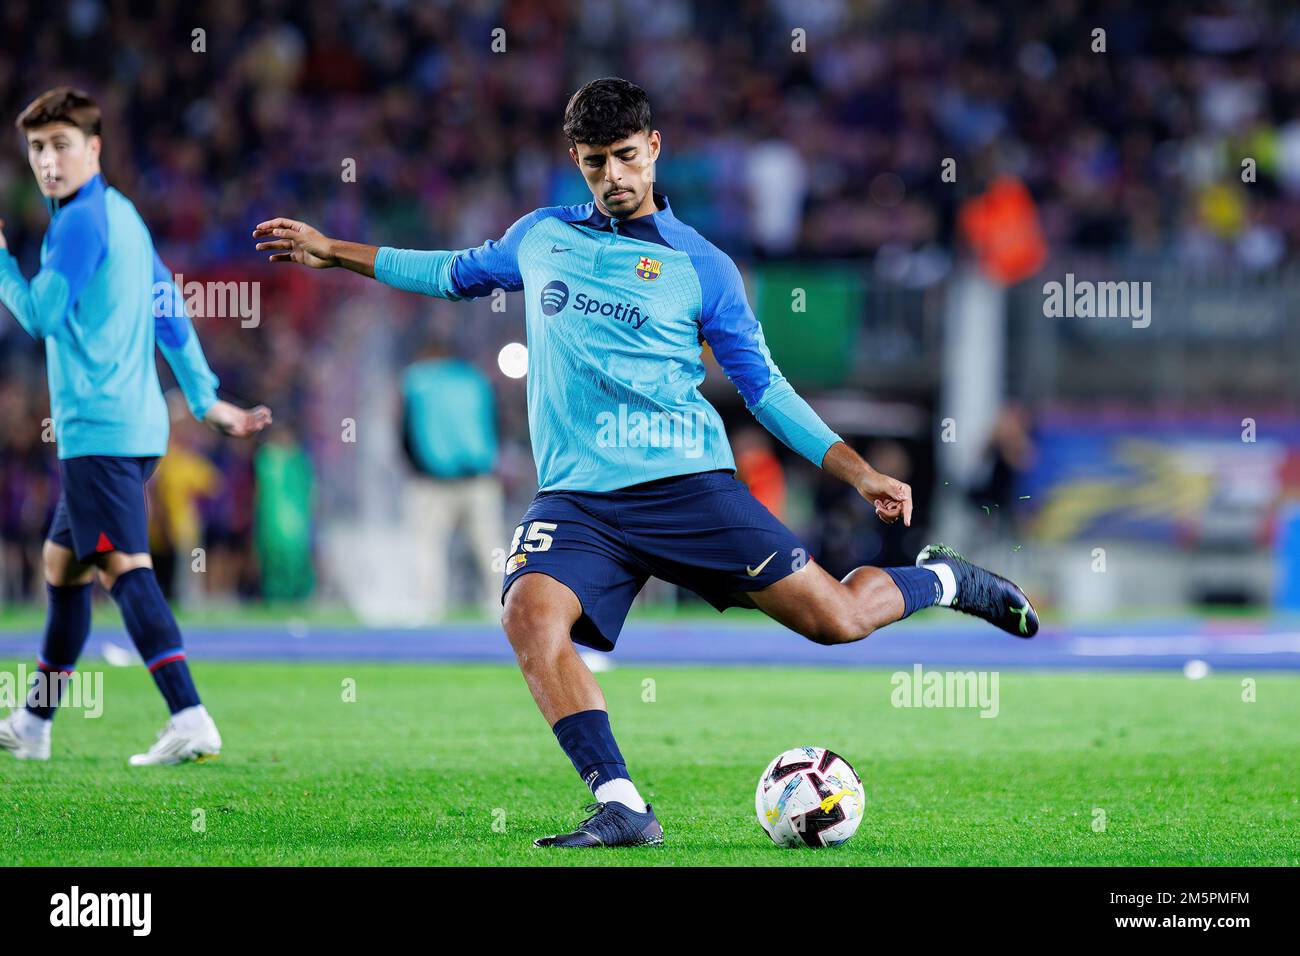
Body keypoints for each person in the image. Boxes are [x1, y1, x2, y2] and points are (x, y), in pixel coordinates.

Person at [252, 77, 1037, 847]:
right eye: (595, 162)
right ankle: (622, 803)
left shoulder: (705, 267)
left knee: (838, 621)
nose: (614, 177)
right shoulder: (541, 236)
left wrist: (857, 471)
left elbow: (765, 391)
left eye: (627, 156)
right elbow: (452, 271)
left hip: (687, 486)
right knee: (529, 614)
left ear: (655, 148)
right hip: (578, 500)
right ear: (576, 160)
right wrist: (333, 252)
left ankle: (947, 579)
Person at [0, 87, 271, 765]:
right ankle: (34, 722)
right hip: (136, 428)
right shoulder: (123, 216)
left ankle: (189, 715)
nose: (47, 161)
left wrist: (3, 263)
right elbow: (169, 309)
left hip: (99, 431)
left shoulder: (80, 224)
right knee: (62, 565)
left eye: (61, 145)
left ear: (94, 148)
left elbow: (39, 315)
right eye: (36, 148)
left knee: (122, 567)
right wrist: (206, 399)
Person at [400, 339, 505, 621]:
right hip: (478, 477)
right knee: (490, 545)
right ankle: (504, 605)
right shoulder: (475, 379)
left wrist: (413, 467)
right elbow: (496, 422)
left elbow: (404, 428)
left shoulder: (416, 380)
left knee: (427, 546)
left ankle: (427, 608)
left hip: (432, 480)